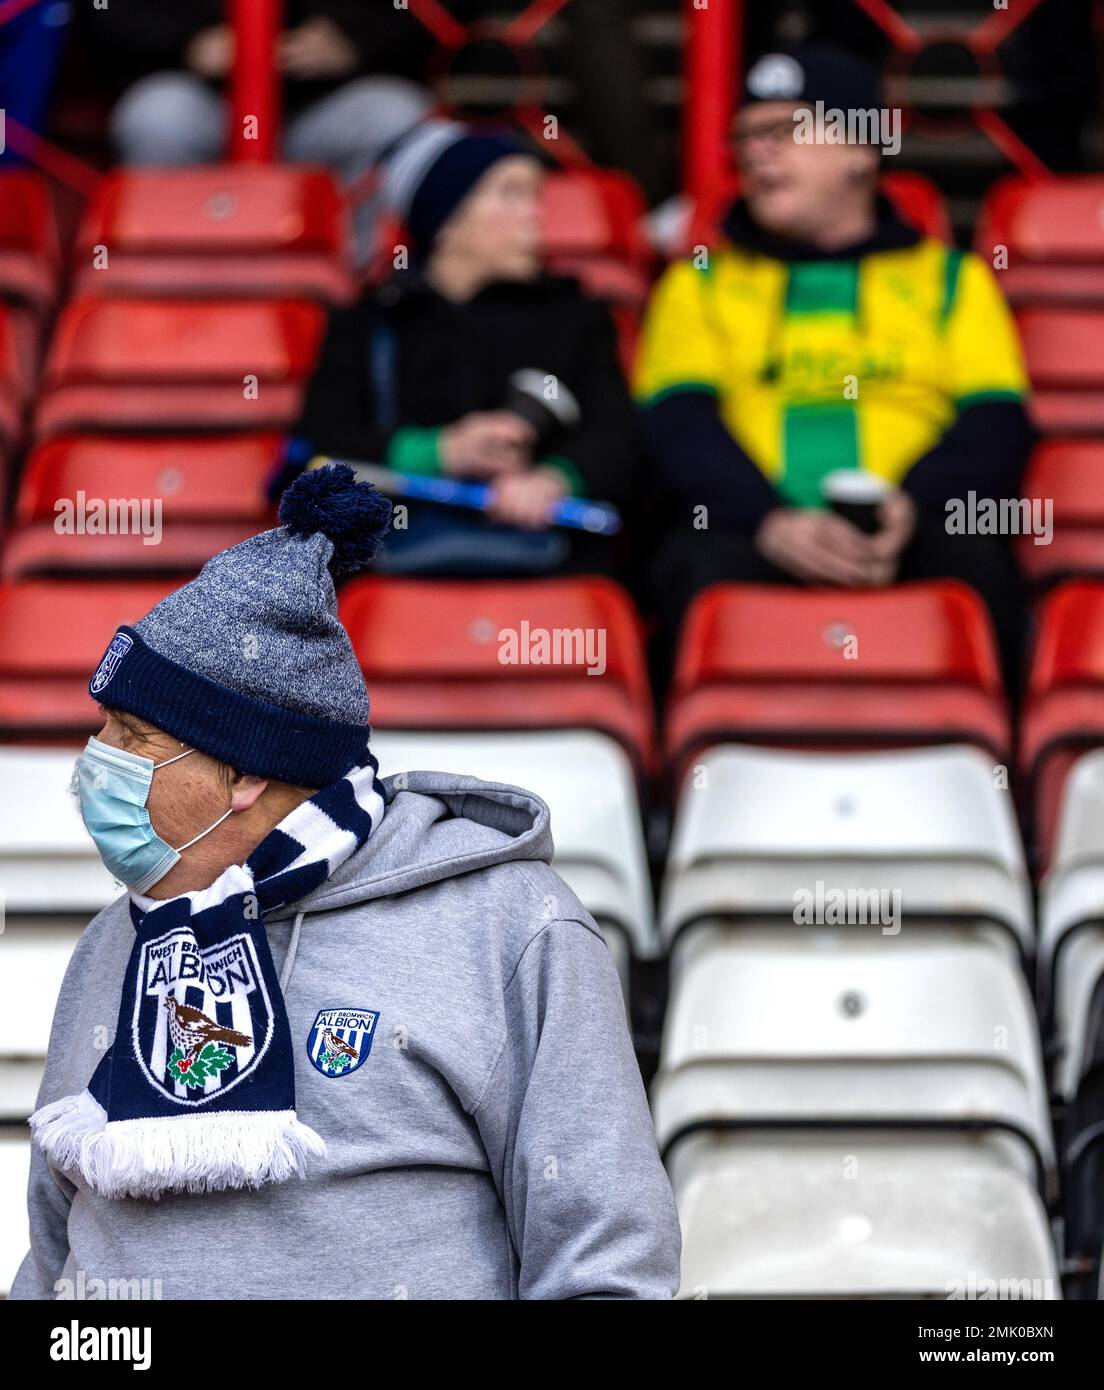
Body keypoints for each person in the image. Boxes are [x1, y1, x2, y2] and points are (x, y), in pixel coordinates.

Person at [10, 464, 681, 1301]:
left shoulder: (508, 925)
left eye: (132, 735)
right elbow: (48, 1252)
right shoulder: (116, 942)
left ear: (244, 774)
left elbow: (607, 1261)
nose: (94, 761)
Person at [635, 45, 1035, 696]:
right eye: (745, 137)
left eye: (784, 130)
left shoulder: (951, 280)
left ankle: (999, 786)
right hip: (751, 535)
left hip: (909, 535)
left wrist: (911, 509)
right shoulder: (697, 282)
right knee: (688, 560)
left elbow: (996, 424)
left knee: (977, 564)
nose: (756, 152)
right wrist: (772, 522)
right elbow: (679, 428)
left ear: (861, 150)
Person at [288, 120, 637, 577]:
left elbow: (619, 437)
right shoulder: (373, 319)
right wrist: (440, 451)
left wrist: (554, 479)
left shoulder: (577, 317)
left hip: (550, 561)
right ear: (447, 220)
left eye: (535, 196)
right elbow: (318, 444)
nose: (535, 214)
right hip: (393, 563)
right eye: (510, 194)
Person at [82, 1, 443, 185]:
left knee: (397, 117)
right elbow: (102, 13)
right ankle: (153, 291)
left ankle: (368, 298)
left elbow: (445, 15)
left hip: (334, 101)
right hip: (203, 99)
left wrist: (356, 43)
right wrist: (188, 44)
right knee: (157, 117)